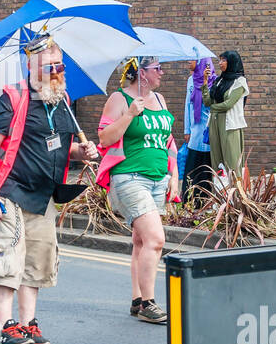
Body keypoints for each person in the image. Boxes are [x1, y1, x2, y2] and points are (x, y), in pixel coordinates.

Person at [0, 32, 98, 344]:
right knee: (8, 257)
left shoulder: (63, 102)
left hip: (43, 194)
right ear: (32, 67)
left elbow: (56, 148)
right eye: (50, 67)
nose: (57, 72)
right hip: (10, 190)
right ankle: (3, 329)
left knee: (38, 260)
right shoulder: (12, 98)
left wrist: (80, 154)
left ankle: (28, 325)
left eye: (60, 66)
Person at [98, 56, 180, 324]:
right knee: (156, 240)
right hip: (129, 178)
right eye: (157, 68)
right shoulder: (119, 99)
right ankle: (148, 302)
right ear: (141, 73)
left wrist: (174, 177)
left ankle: (136, 299)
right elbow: (105, 138)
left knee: (141, 241)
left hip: (158, 179)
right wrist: (130, 114)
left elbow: (169, 143)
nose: (162, 72)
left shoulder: (161, 100)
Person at [202, 50, 249, 176]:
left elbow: (228, 104)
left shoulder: (240, 81)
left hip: (230, 125)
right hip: (214, 123)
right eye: (219, 60)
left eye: (223, 60)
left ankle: (235, 193)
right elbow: (207, 102)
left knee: (232, 163)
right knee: (217, 163)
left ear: (232, 62)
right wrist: (205, 82)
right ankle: (219, 193)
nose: (220, 63)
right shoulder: (219, 81)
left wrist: (212, 108)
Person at [183, 58, 215, 200]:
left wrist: (206, 82)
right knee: (192, 167)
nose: (189, 61)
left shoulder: (215, 81)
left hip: (208, 132)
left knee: (206, 167)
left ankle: (205, 200)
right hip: (194, 132)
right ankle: (189, 200)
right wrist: (187, 130)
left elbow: (210, 105)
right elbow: (187, 106)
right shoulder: (191, 80)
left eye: (193, 59)